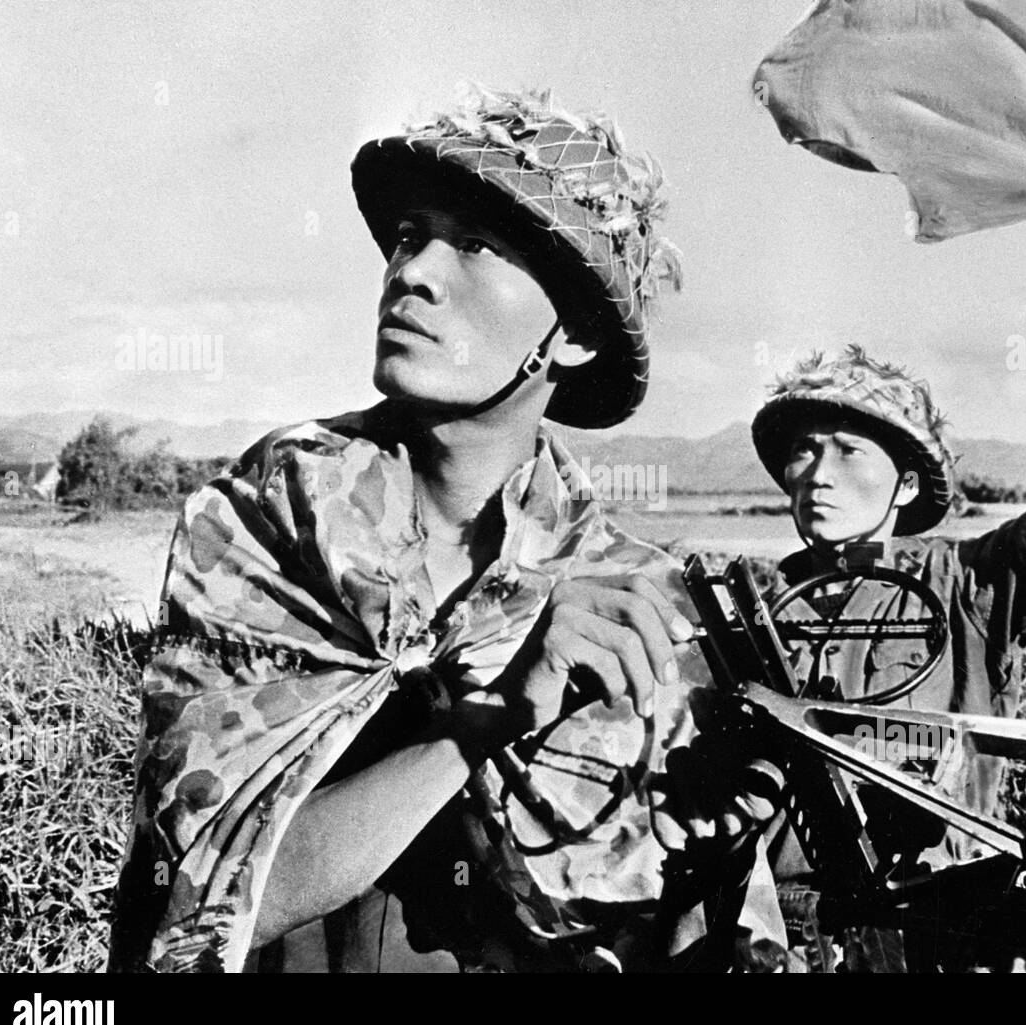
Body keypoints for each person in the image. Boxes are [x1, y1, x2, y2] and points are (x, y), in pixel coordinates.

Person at [107, 88, 782, 973]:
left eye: (473, 243)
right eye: (409, 235)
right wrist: (487, 721)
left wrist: (719, 846)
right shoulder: (269, 521)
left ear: (574, 333)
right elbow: (206, 898)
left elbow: (704, 937)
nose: (413, 270)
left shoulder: (637, 610)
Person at [746, 194, 1026, 971]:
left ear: (905, 486)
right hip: (769, 928)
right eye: (803, 450)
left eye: (850, 450)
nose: (817, 473)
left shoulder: (967, 585)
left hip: (936, 928)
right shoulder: (748, 602)